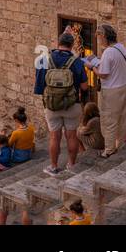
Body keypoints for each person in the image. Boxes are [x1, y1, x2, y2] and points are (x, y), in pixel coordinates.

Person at [35, 32, 89, 176]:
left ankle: (53, 166)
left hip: (51, 105)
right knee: (71, 136)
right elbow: (84, 87)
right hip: (72, 104)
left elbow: (39, 87)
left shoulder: (44, 59)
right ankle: (71, 165)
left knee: (54, 136)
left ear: (58, 43)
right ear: (72, 45)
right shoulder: (76, 62)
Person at [88, 24, 126, 158]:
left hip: (112, 91)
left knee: (108, 120)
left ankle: (109, 149)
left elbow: (103, 74)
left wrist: (91, 67)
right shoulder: (121, 47)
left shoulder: (108, 52)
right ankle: (120, 144)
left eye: (98, 36)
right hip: (124, 86)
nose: (98, 39)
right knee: (121, 118)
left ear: (104, 36)